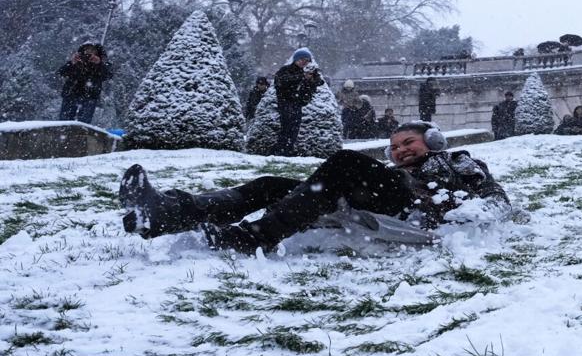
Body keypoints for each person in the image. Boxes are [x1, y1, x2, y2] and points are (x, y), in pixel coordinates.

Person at [119, 122, 510, 254]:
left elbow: (495, 200)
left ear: (435, 142)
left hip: (415, 209)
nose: (399, 151)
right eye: (393, 148)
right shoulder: (393, 171)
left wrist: (464, 215)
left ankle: (254, 237)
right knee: (271, 184)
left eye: (408, 143)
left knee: (344, 161)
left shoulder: (456, 161)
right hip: (383, 201)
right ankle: (169, 214)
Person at [272, 48, 323, 156]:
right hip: (285, 102)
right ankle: (281, 150)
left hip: (297, 103)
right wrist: (302, 77)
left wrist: (312, 78)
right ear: (296, 59)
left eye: (307, 60)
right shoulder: (285, 70)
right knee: (286, 127)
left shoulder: (307, 71)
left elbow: (319, 82)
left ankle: (289, 149)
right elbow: (281, 82)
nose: (304, 62)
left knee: (295, 128)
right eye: (302, 59)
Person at [57, 43, 113, 124]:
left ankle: (79, 136)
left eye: (92, 50)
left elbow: (108, 75)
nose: (88, 52)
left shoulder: (102, 63)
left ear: (97, 52)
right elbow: (61, 72)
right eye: (87, 49)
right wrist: (72, 63)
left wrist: (99, 64)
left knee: (84, 123)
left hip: (90, 96)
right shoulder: (77, 60)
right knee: (64, 122)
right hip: (71, 94)